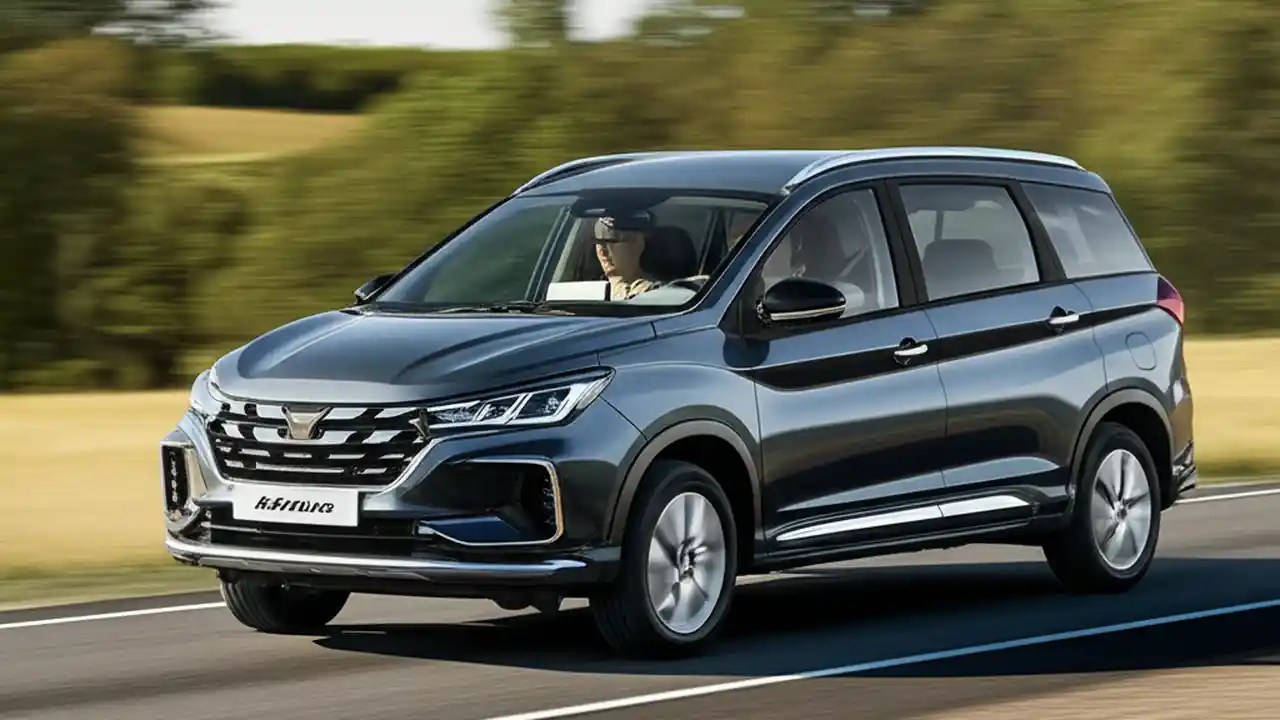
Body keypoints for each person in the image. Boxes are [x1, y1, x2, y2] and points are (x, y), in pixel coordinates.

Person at [593, 216, 661, 300]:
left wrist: (617, 282)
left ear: (639, 243)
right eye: (599, 242)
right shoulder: (586, 292)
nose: (602, 251)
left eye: (614, 239)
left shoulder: (657, 293)